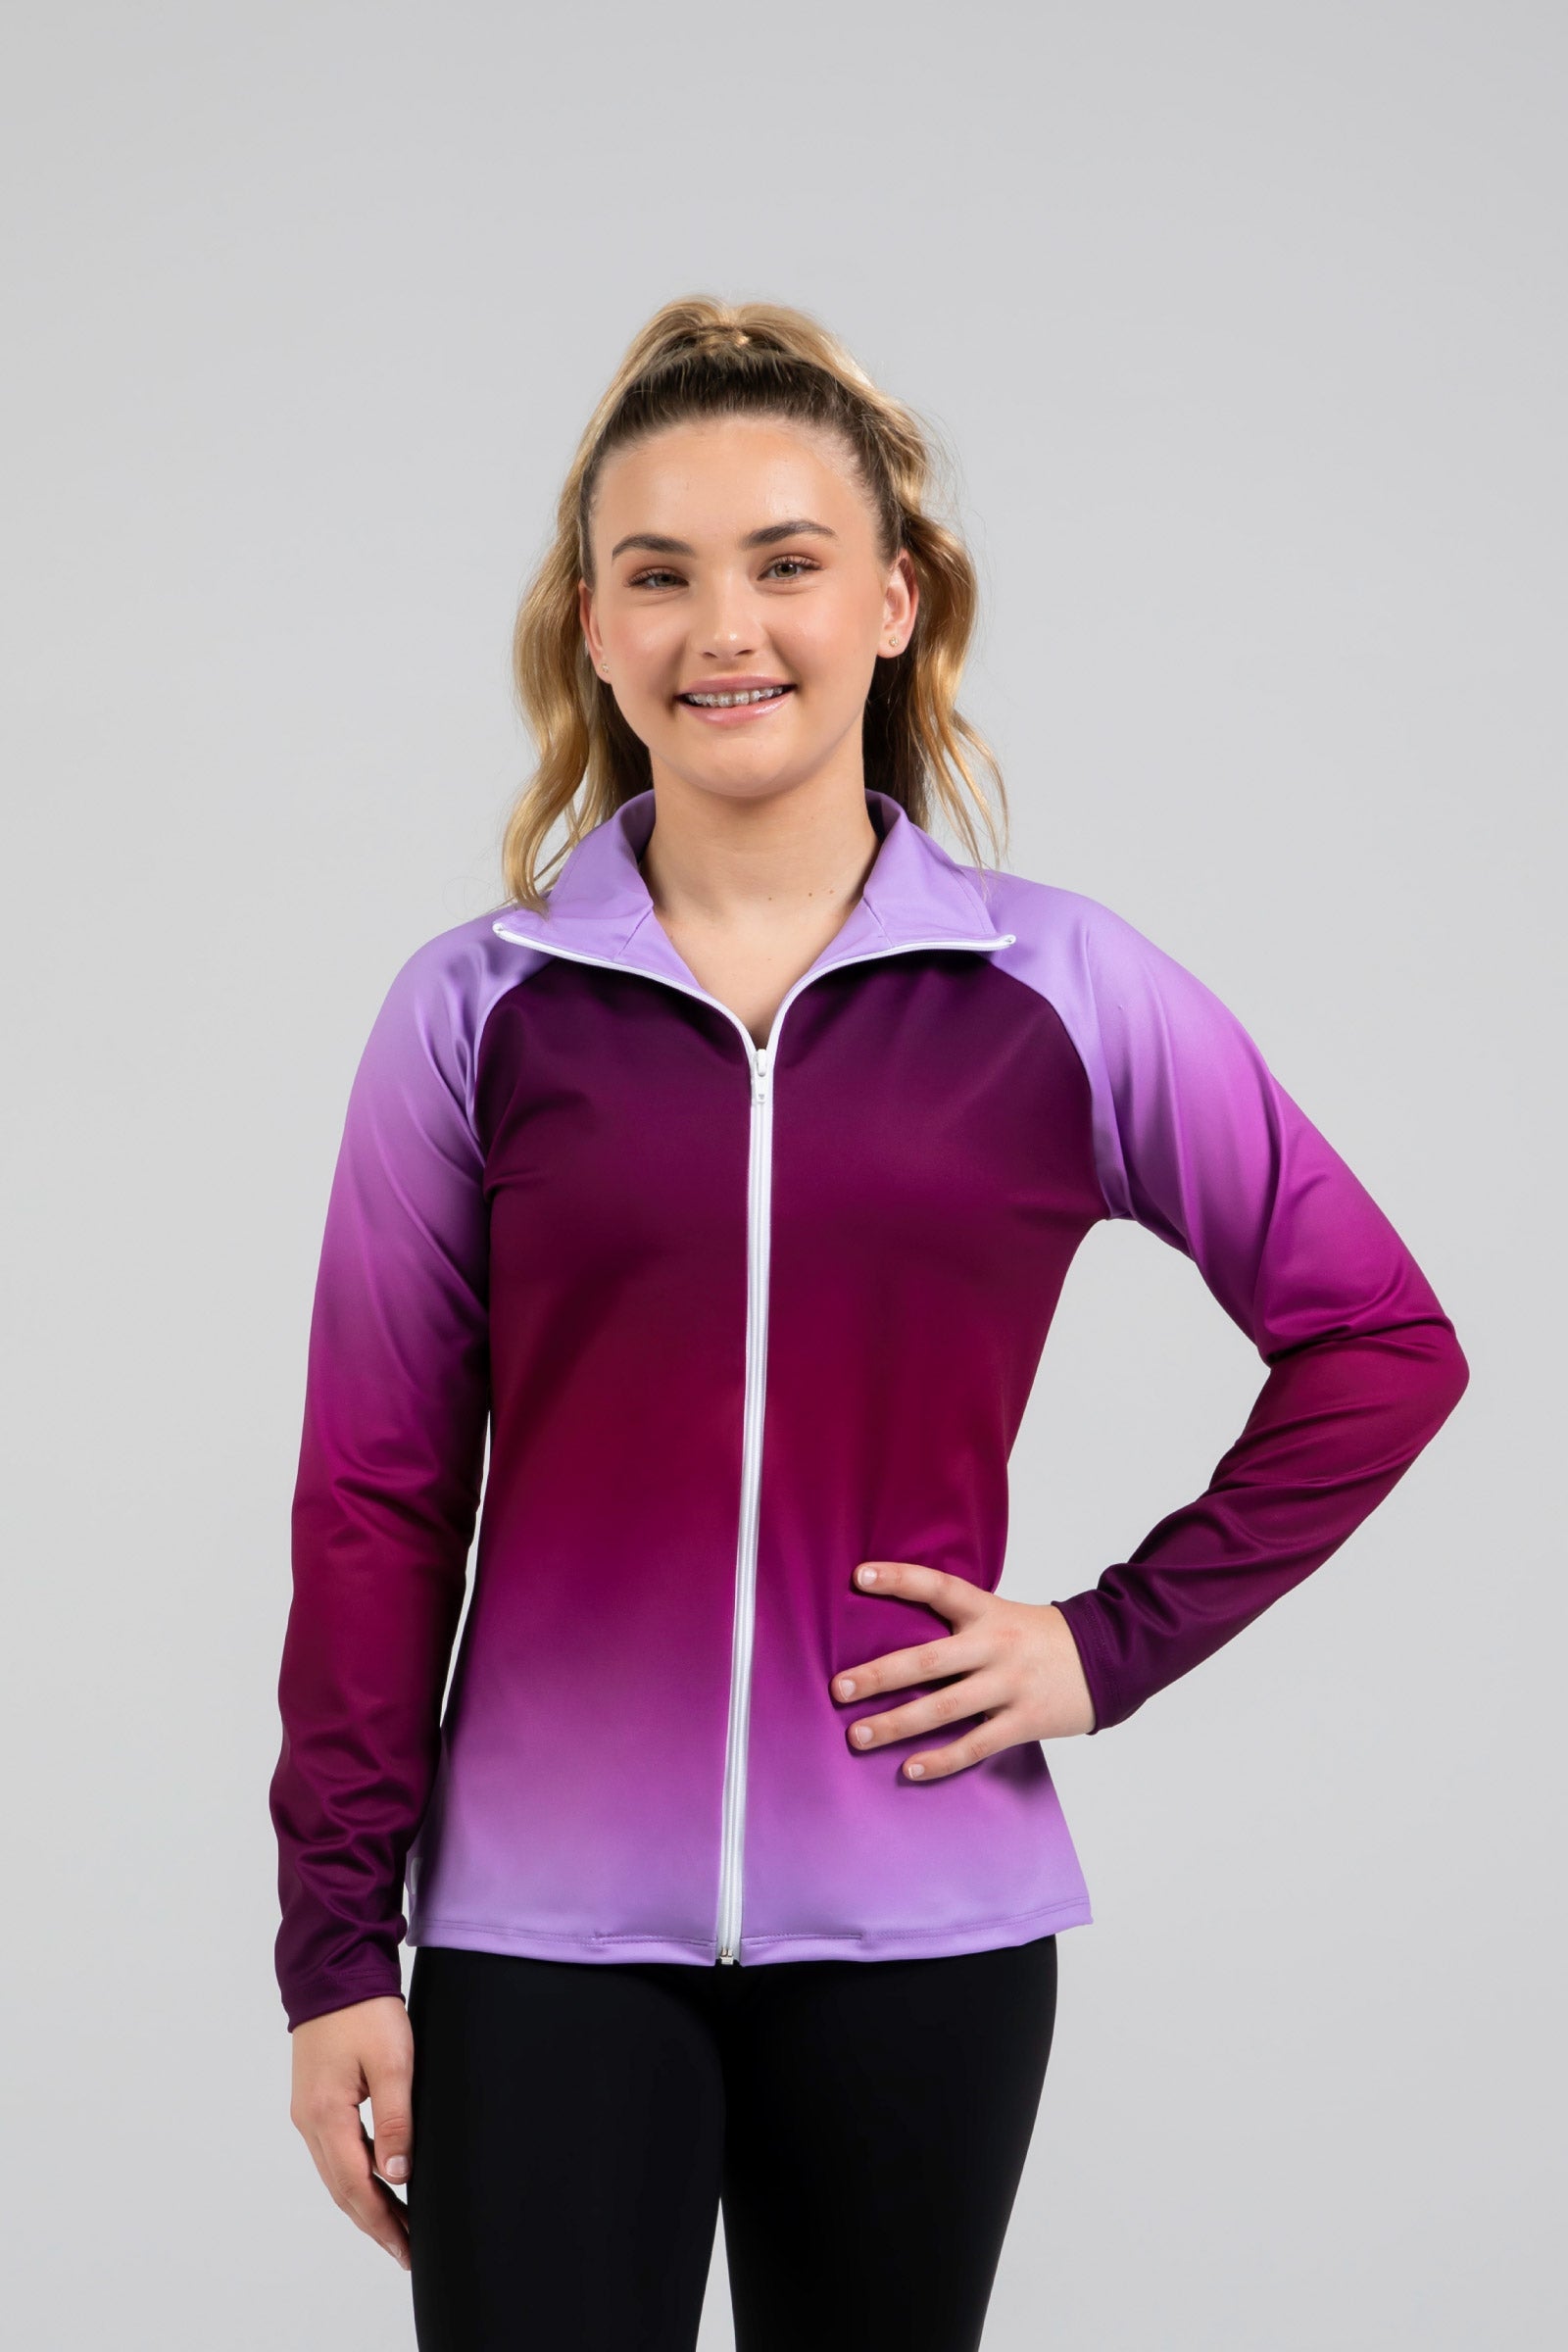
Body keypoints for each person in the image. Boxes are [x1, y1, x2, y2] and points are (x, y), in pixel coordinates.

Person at [269, 296, 1470, 2352]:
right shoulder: (472, 1012)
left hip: (922, 1928)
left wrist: (1107, 1641)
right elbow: (378, 1496)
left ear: (894, 603)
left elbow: (1377, 1342)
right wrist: (332, 1952)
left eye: (786, 562)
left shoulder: (1060, 991)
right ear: (591, 624)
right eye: (659, 574)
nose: (723, 627)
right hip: (540, 1934)